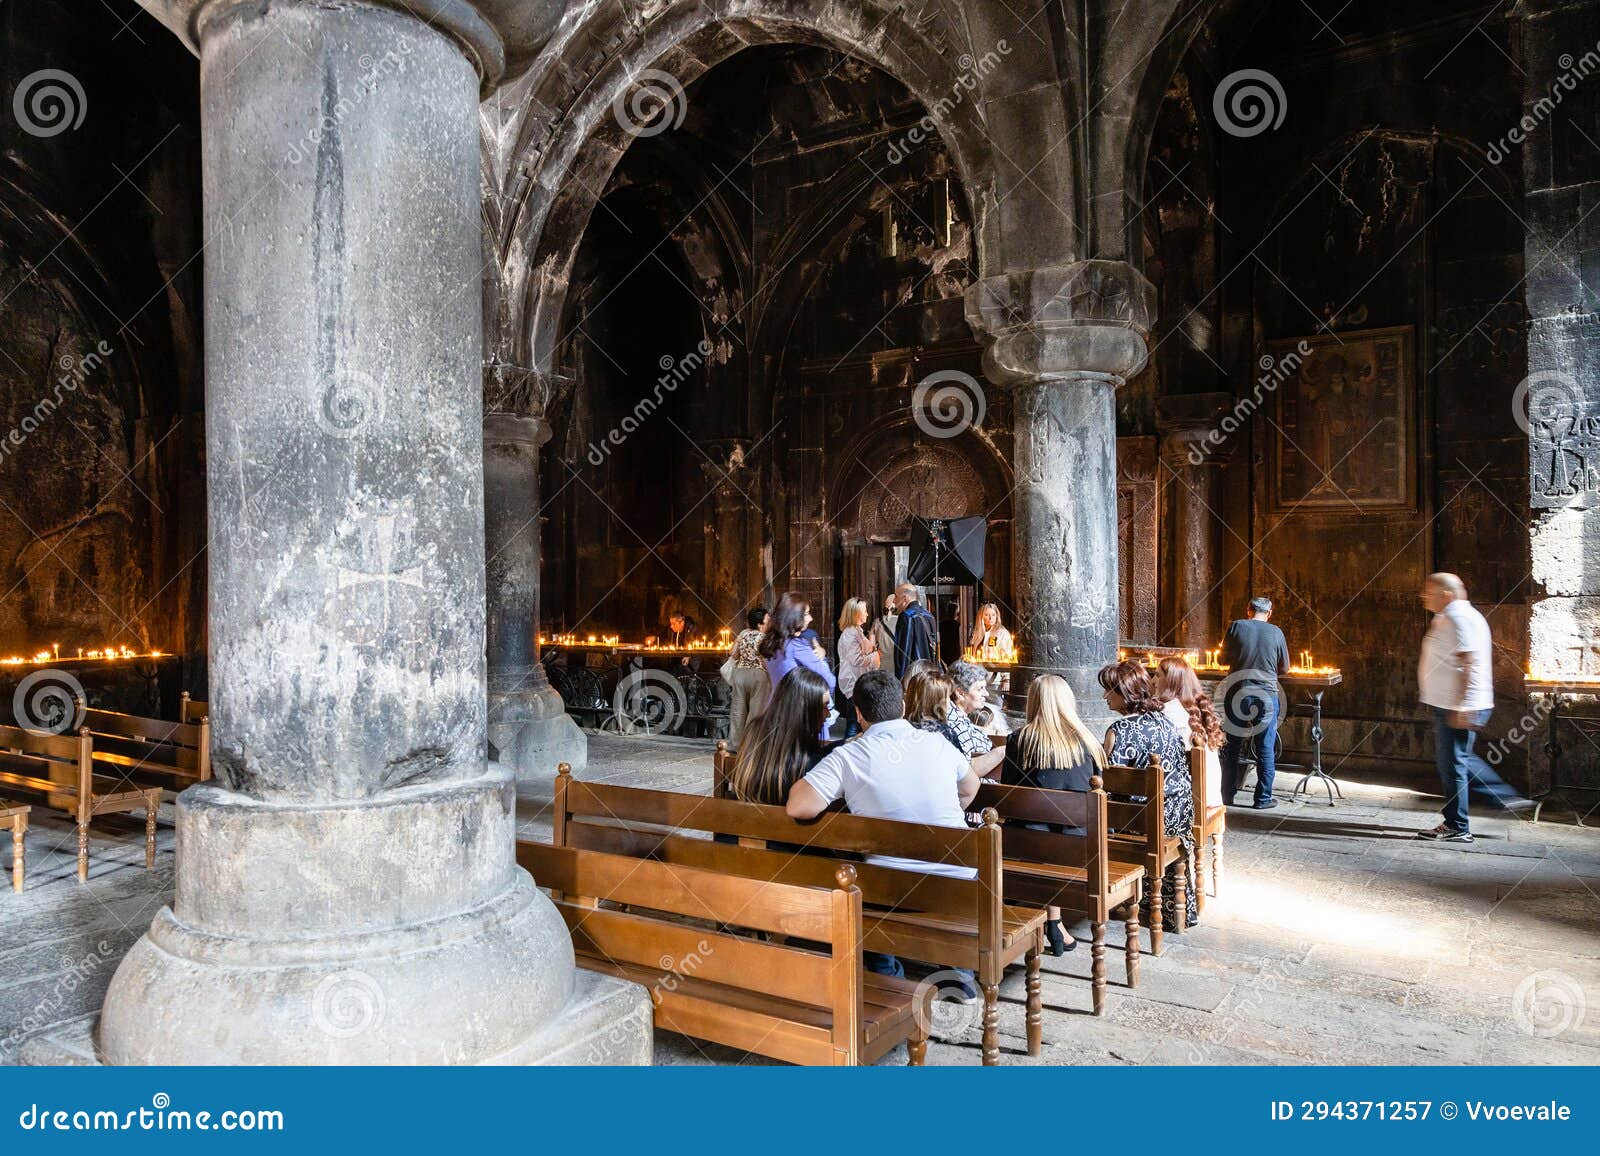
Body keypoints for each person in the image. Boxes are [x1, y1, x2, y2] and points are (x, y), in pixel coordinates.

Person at [787, 669, 979, 989]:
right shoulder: (937, 743)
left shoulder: (849, 756)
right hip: (957, 884)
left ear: (859, 715)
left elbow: (798, 806)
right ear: (903, 706)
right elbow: (970, 787)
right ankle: (957, 972)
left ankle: (885, 974)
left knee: (863, 881)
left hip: (890, 891)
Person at [1002, 674, 1106, 955]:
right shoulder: (1089, 743)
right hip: (1081, 848)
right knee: (1050, 838)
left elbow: (1008, 795)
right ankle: (1054, 922)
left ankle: (1048, 922)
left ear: (1033, 702)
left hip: (1029, 846)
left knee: (1035, 833)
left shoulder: (1019, 741)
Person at [1417, 572, 1521, 842]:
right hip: (1451, 702)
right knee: (1459, 760)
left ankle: (1457, 825)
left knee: (1452, 765)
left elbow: (1468, 662)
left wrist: (1463, 704)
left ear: (1447, 594)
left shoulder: (1457, 618)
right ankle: (1505, 798)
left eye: (1429, 590)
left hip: (1456, 703)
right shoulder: (1453, 616)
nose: (1423, 595)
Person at [1099, 659, 1196, 931]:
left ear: (1125, 693)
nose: (1105, 696)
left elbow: (1108, 784)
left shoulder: (1119, 731)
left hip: (1142, 822)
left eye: (1109, 690)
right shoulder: (1163, 720)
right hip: (1178, 815)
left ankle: (1113, 893)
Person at [1217, 595, 1290, 810]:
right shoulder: (1276, 632)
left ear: (1248, 610)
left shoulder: (1236, 626)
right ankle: (1262, 799)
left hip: (1238, 691)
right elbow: (1284, 668)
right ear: (1269, 613)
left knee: (1232, 746)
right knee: (1265, 747)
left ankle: (1227, 795)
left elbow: (1222, 659)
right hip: (1266, 694)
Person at [729, 667, 833, 806]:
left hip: (746, 822)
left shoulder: (755, 730)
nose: (828, 714)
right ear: (806, 709)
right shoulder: (807, 765)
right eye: (824, 707)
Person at [758, 592, 836, 739]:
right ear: (794, 616)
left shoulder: (773, 643)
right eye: (806, 614)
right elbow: (828, 681)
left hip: (774, 711)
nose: (811, 618)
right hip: (801, 716)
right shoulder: (797, 647)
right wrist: (821, 659)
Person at [1157, 656, 1225, 808]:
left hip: (1190, 801)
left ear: (1170, 681)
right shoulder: (1195, 710)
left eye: (1157, 676)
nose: (1153, 681)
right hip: (1212, 795)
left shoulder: (1169, 711)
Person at [946, 659, 1006, 776]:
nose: (986, 694)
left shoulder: (961, 717)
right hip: (979, 792)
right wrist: (1002, 752)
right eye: (980, 689)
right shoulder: (953, 723)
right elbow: (964, 771)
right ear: (960, 693)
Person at [726, 608, 770, 749]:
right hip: (758, 676)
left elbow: (732, 653)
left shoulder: (743, 634)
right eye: (767, 620)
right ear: (759, 624)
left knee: (738, 711)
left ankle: (735, 745)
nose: (769, 623)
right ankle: (751, 746)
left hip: (740, 675)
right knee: (756, 712)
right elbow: (764, 660)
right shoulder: (764, 637)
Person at [835, 598, 879, 739]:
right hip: (853, 684)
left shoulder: (857, 631)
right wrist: (875, 656)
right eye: (864, 611)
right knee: (854, 725)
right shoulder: (850, 634)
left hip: (858, 682)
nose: (867, 614)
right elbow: (857, 660)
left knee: (858, 724)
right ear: (855, 613)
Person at [892, 582, 936, 679]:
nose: (894, 601)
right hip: (931, 675)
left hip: (914, 677)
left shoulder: (906, 616)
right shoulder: (929, 615)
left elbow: (903, 652)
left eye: (896, 596)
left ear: (905, 598)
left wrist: (901, 679)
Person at [873, 594, 898, 679]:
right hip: (898, 664)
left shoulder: (877, 622)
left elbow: (871, 646)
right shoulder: (904, 621)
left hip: (882, 665)